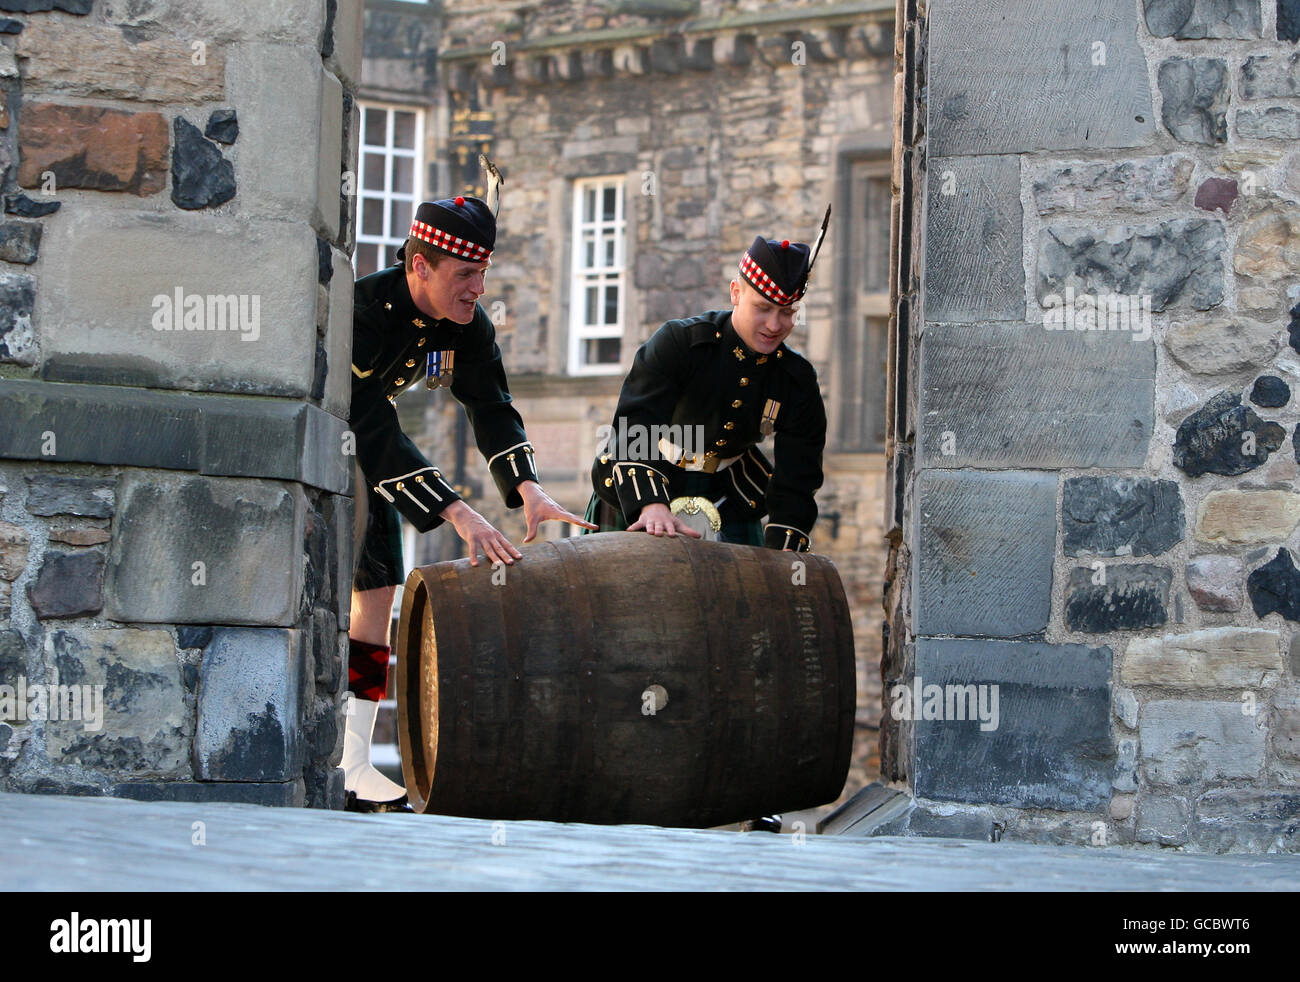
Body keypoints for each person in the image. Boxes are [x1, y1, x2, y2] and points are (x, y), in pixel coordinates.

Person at [346, 187, 595, 813]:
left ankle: (350, 762)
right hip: (335, 449)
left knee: (377, 598)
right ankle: (334, 752)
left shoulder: (466, 324)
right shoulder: (364, 312)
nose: (478, 288)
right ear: (420, 266)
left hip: (375, 464)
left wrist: (527, 489)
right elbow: (368, 422)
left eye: (483, 273)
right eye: (466, 273)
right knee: (341, 596)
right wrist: (456, 510)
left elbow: (490, 404)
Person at [586, 210, 831, 557]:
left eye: (788, 312)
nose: (775, 325)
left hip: (730, 495)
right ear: (735, 292)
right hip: (645, 480)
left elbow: (799, 473)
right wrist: (649, 503)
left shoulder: (795, 378)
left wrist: (782, 549)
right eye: (763, 308)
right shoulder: (680, 342)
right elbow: (635, 423)